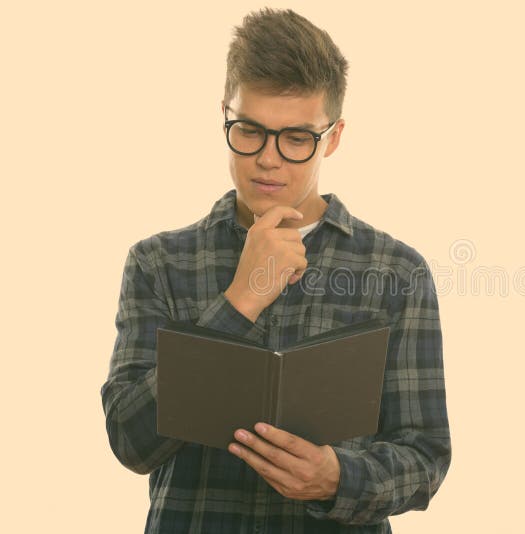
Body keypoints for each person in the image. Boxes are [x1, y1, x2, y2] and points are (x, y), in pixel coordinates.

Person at [100, 6, 451, 533]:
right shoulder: (158, 263)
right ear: (225, 115)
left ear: (333, 137)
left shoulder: (397, 272)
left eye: (297, 138)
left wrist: (338, 478)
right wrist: (240, 301)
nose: (269, 158)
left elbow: (424, 457)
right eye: (249, 130)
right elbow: (130, 441)